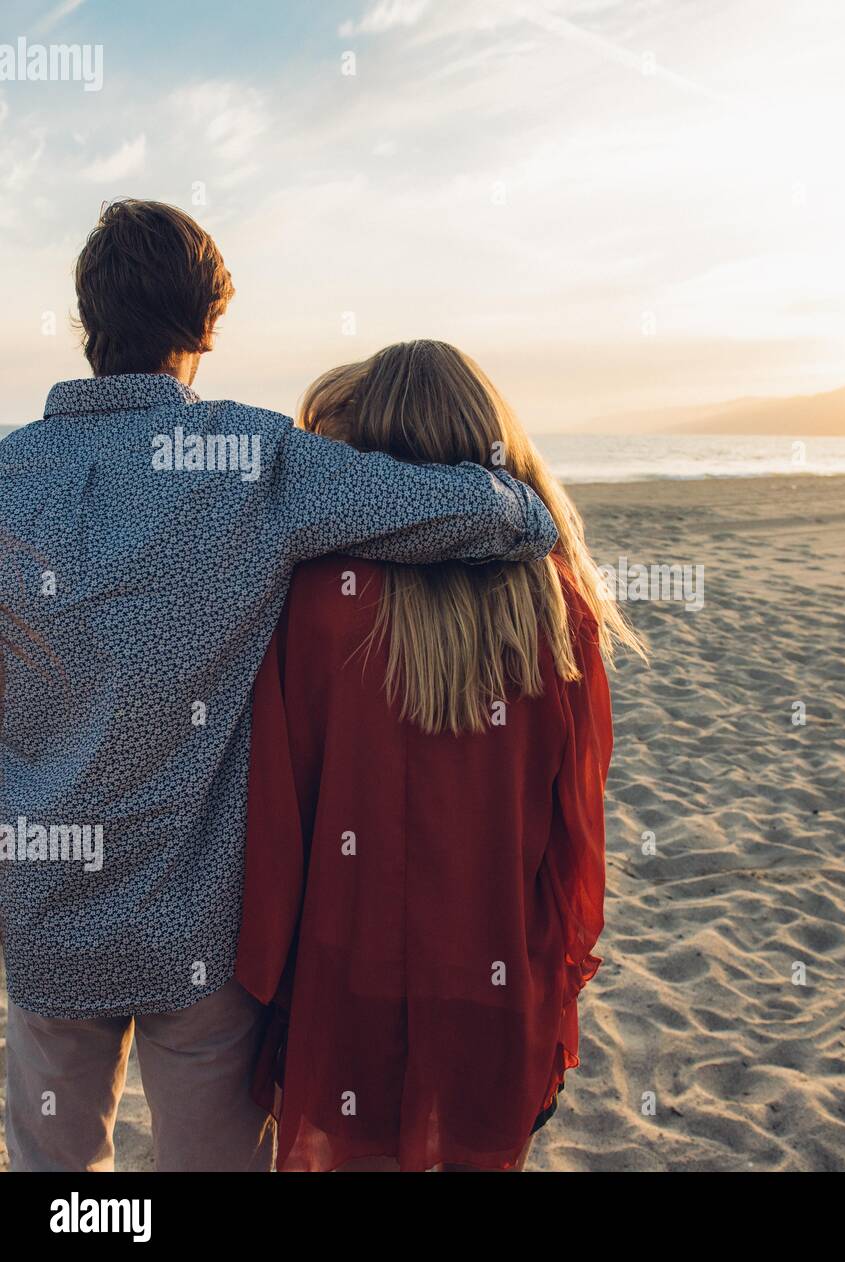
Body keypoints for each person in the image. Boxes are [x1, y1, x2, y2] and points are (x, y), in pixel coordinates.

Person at [0, 201, 558, 1173]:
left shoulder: (9, 475)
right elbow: (470, 510)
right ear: (208, 326)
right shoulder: (250, 461)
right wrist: (522, 503)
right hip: (196, 932)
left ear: (87, 320)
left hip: (45, 910)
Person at [234, 340, 643, 1171]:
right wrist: (555, 989)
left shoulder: (321, 603)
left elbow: (278, 819)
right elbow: (575, 837)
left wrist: (264, 995)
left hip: (345, 978)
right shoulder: (560, 609)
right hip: (496, 973)